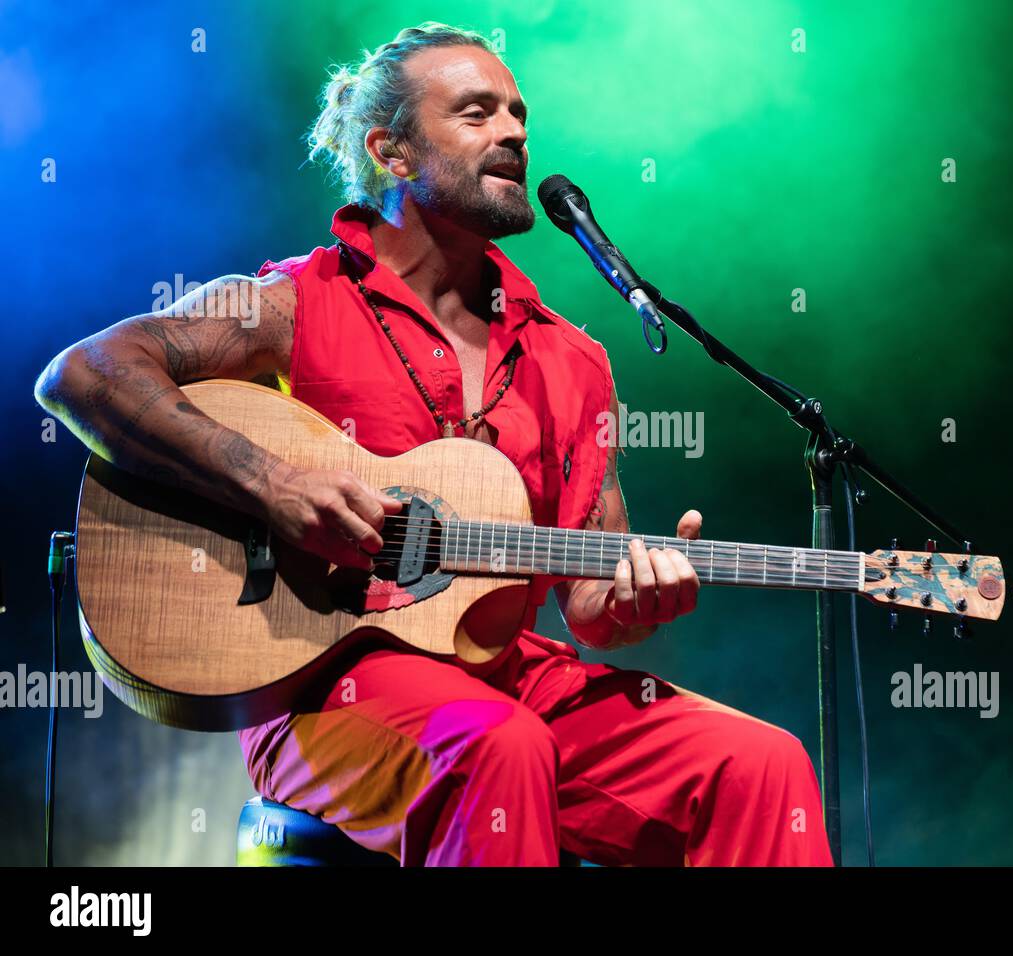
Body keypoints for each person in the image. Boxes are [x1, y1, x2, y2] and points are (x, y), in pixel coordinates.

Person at [35, 21, 832, 867]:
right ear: (395, 152)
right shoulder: (297, 303)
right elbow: (85, 373)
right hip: (321, 689)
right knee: (498, 745)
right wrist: (271, 484)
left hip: (510, 676)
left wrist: (636, 599)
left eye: (519, 115)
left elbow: (591, 605)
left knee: (759, 763)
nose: (516, 132)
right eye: (478, 113)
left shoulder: (573, 360)